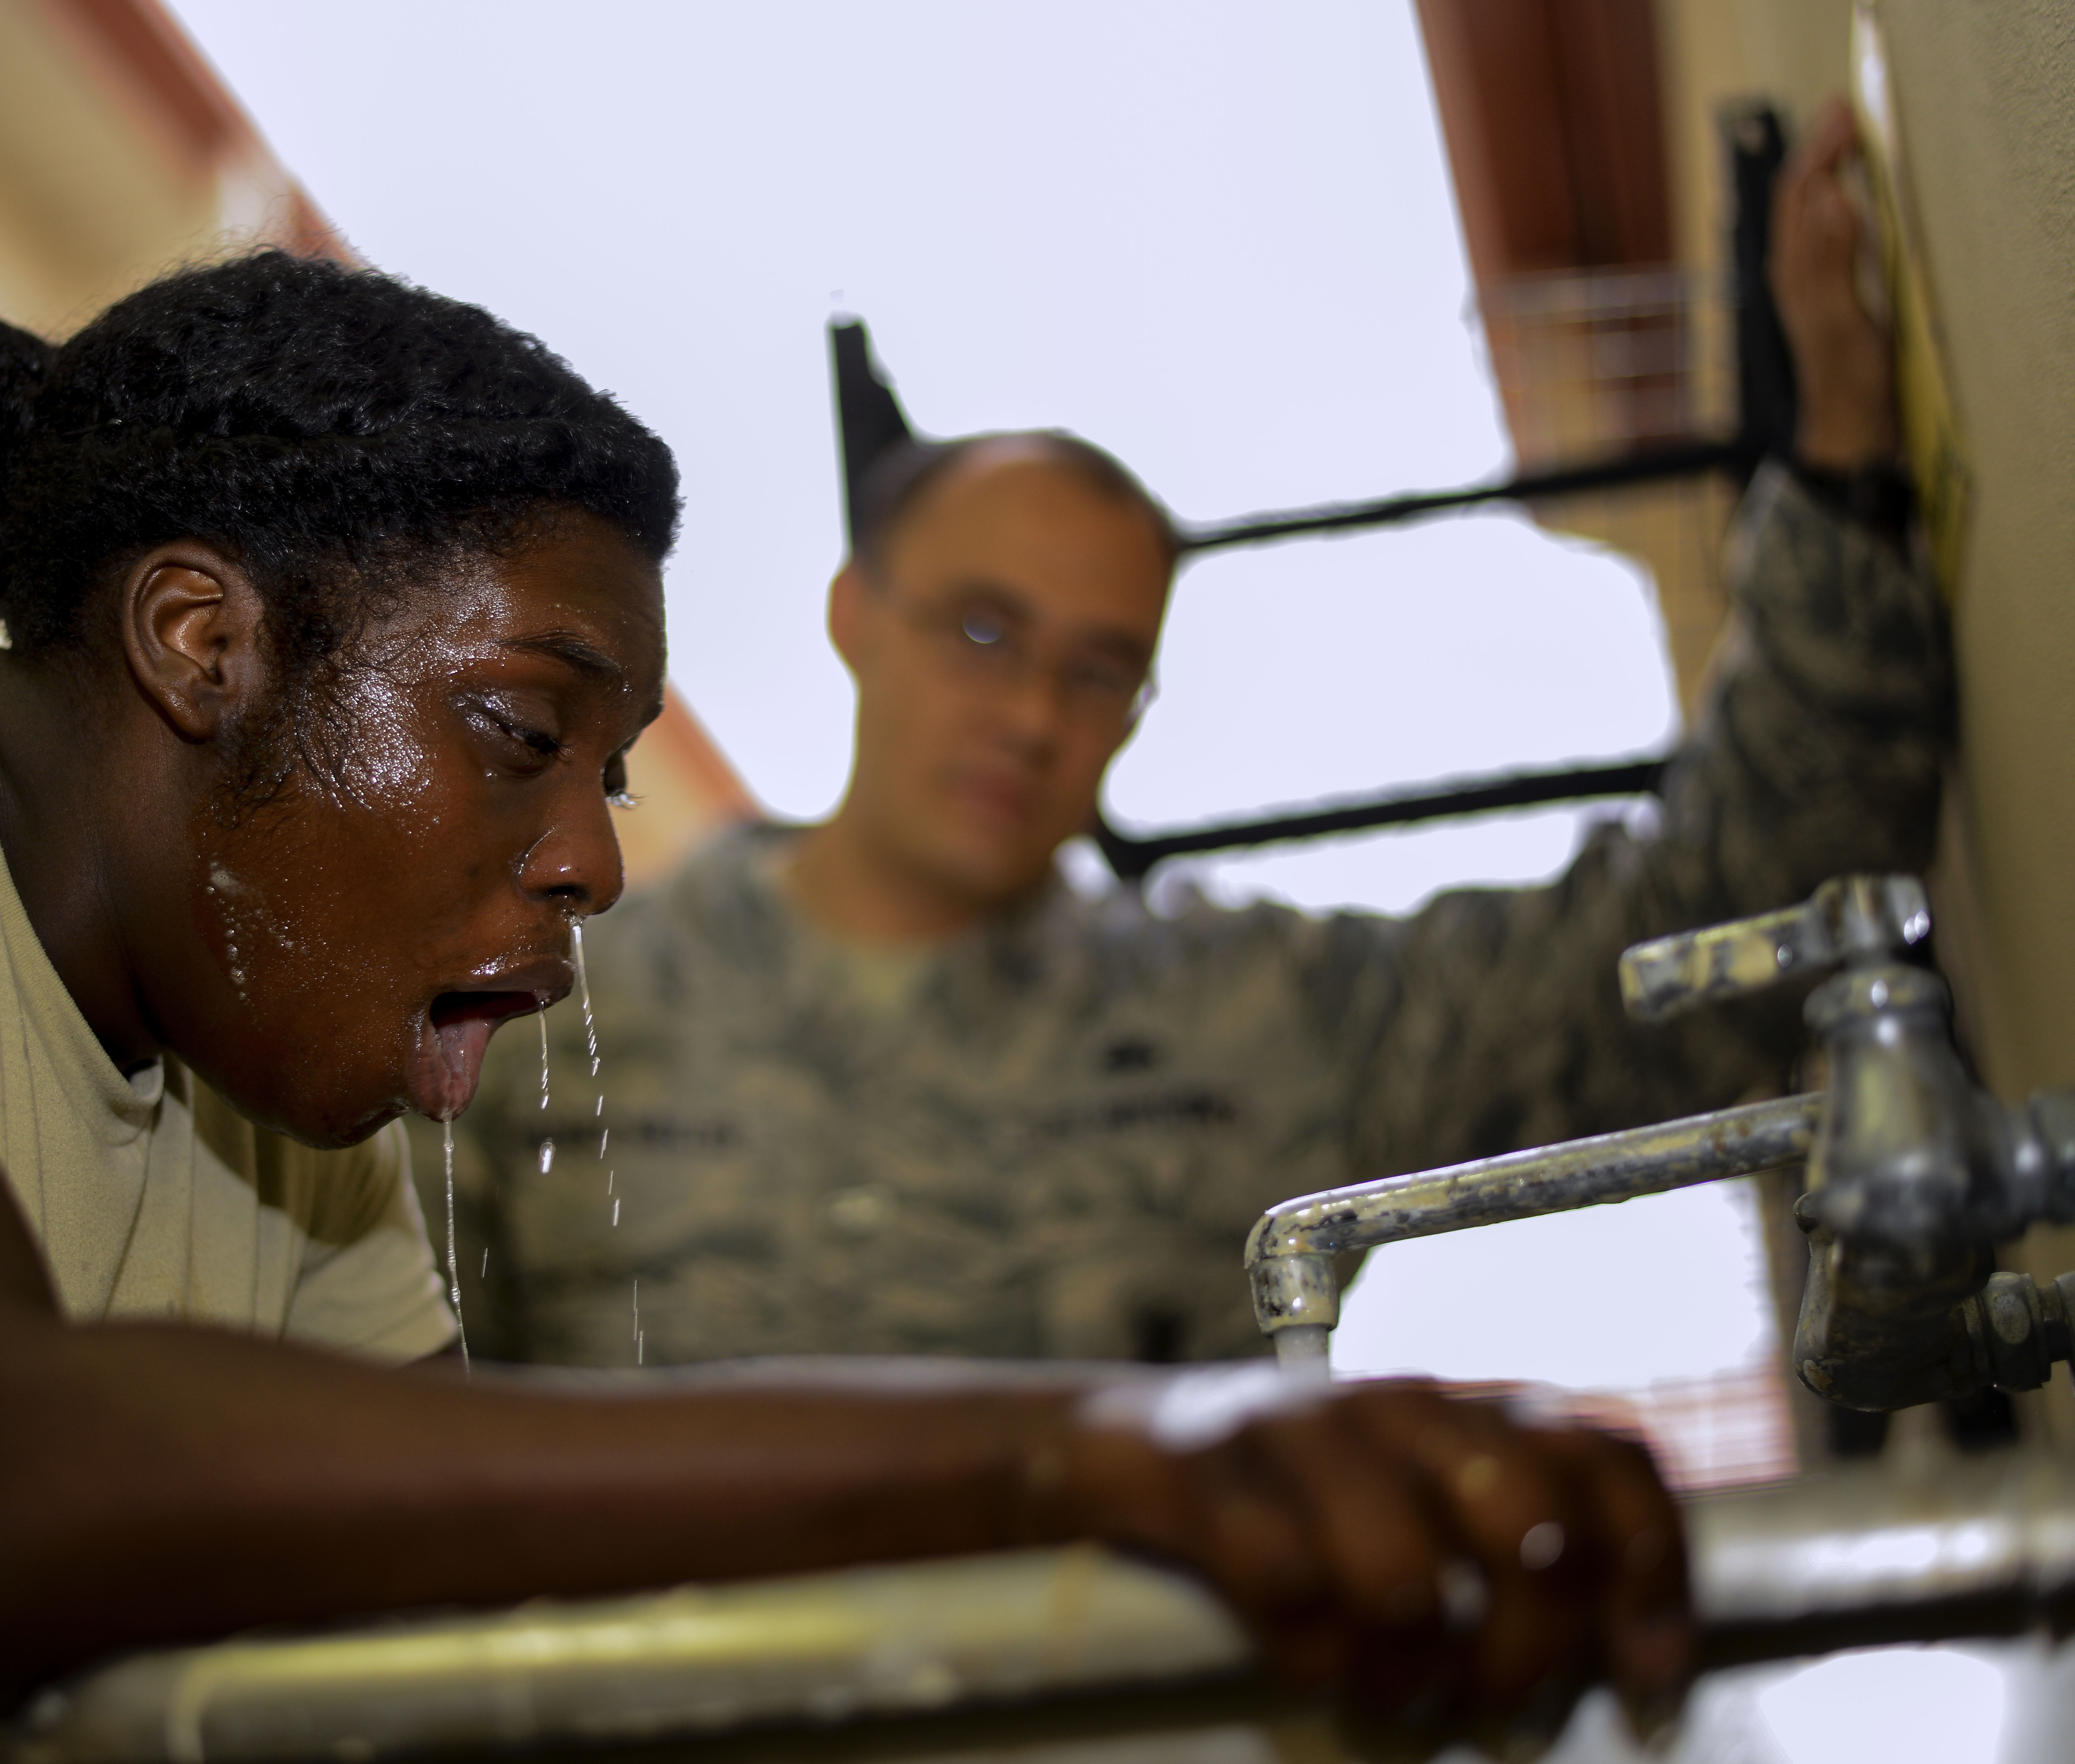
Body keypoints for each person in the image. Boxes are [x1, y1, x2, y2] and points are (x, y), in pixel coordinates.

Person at [0, 250, 1684, 1761]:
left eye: (612, 776)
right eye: (525, 730)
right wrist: (1090, 1445)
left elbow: (497, 1675)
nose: (599, 856)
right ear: (202, 647)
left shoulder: (295, 1182)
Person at [449, 99, 1948, 1368]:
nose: (1035, 712)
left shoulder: (1253, 1020)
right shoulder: (545, 1018)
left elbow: (1704, 938)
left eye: (1101, 671)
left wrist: (1835, 479)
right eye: (984, 630)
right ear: (854, 613)